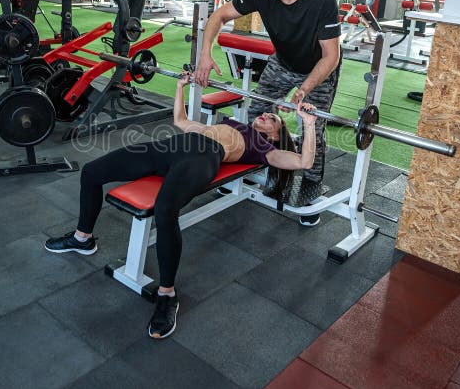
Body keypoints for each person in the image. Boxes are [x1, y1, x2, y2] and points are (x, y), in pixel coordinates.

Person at [44, 72, 317, 340]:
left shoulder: (263, 148)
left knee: (165, 210)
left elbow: (304, 162)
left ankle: (167, 294)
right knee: (91, 172)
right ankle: (83, 238)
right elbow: (180, 120)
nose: (267, 116)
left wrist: (309, 123)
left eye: (273, 121)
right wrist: (179, 87)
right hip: (168, 147)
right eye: (268, 114)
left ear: (274, 136)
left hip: (200, 158)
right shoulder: (233, 124)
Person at [194, 0, 341, 223]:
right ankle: (250, 166)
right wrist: (205, 54)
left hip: (317, 70)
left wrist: (304, 89)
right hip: (282, 63)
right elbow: (219, 16)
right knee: (255, 113)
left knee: (312, 127)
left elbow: (330, 56)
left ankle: (311, 187)